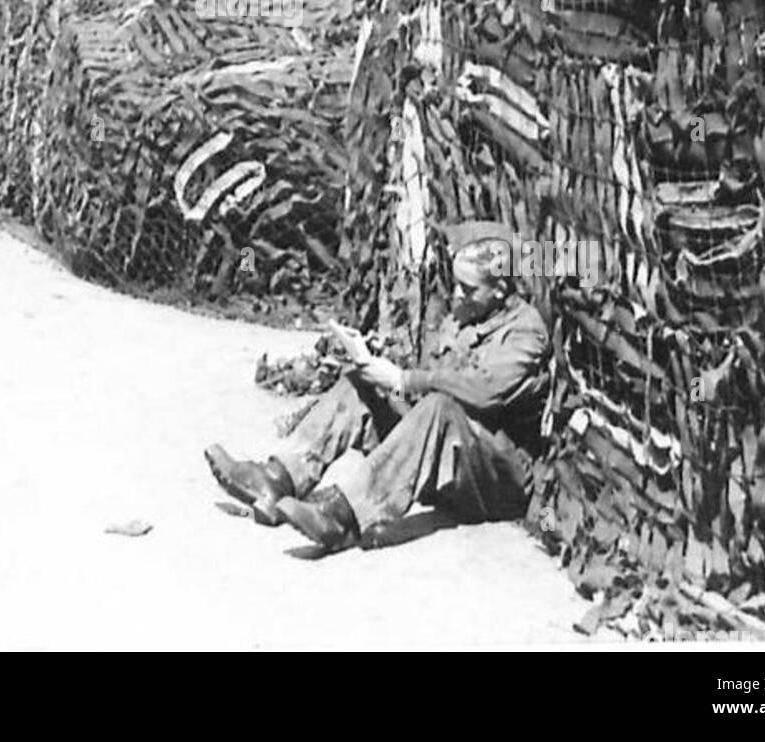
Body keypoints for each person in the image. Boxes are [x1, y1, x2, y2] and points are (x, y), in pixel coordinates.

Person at [204, 221, 551, 554]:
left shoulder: (526, 331)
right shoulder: (468, 313)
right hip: (445, 456)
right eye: (457, 284)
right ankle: (277, 479)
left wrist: (405, 380)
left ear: (502, 288)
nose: (458, 295)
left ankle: (342, 518)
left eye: (470, 288)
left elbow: (483, 391)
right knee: (361, 385)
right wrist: (379, 369)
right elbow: (431, 378)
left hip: (494, 479)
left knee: (438, 407)